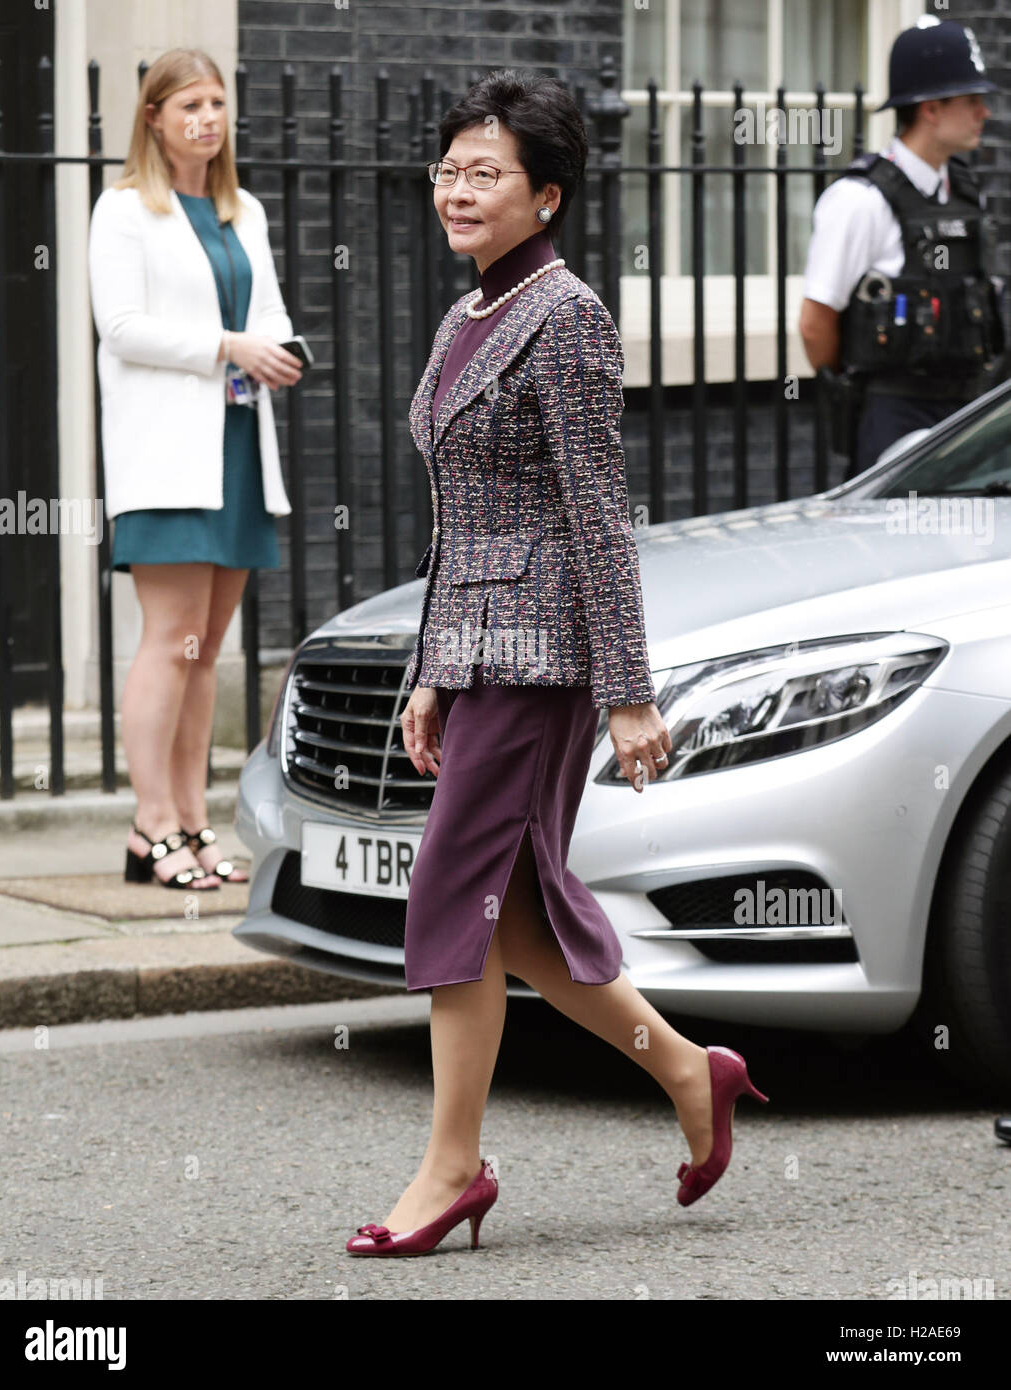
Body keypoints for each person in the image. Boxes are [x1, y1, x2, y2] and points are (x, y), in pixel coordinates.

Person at [345, 69, 769, 1258]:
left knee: (448, 891)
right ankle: (693, 1073)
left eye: (486, 175)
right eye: (448, 171)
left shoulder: (568, 315)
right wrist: (430, 666)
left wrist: (628, 690)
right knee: (513, 918)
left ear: (547, 195)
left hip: (544, 662)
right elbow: (458, 514)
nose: (457, 192)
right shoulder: (466, 314)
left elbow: (596, 513)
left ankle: (451, 1166)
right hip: (475, 652)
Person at [88, 48, 303, 890]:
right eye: (190, 106)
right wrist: (227, 347)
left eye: (217, 103)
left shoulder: (240, 207)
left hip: (239, 447)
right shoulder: (123, 211)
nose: (208, 119)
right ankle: (150, 826)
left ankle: (193, 817)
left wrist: (276, 349)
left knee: (206, 648)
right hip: (168, 455)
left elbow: (270, 310)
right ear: (154, 118)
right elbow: (123, 328)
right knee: (167, 644)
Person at [799, 17, 1005, 479]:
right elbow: (816, 324)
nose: (984, 113)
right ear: (931, 108)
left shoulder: (967, 194)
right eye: (971, 101)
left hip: (969, 414)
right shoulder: (860, 199)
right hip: (894, 412)